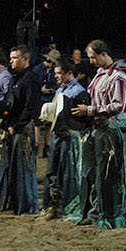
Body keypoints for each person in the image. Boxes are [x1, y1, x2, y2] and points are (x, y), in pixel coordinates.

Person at [74, 40, 126, 228]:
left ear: (104, 54)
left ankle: (109, 216)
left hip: (107, 129)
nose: (91, 61)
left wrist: (90, 110)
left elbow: (118, 106)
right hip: (94, 129)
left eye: (93, 57)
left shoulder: (118, 76)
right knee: (90, 173)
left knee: (106, 175)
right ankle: (93, 213)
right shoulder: (99, 74)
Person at [0, 46, 44, 214]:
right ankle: (15, 204)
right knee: (13, 167)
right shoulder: (16, 78)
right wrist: (1, 115)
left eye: (15, 58)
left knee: (24, 168)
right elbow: (10, 102)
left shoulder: (31, 78)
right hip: (13, 128)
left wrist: (16, 125)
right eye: (11, 58)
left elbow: (30, 107)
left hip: (23, 129)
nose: (11, 61)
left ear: (25, 59)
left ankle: (28, 206)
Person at [44, 60, 90, 221]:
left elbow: (81, 120)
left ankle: (69, 207)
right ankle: (54, 206)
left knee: (69, 172)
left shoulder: (79, 92)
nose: (56, 76)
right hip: (58, 136)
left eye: (59, 73)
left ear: (69, 73)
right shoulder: (61, 89)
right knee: (54, 170)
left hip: (70, 138)